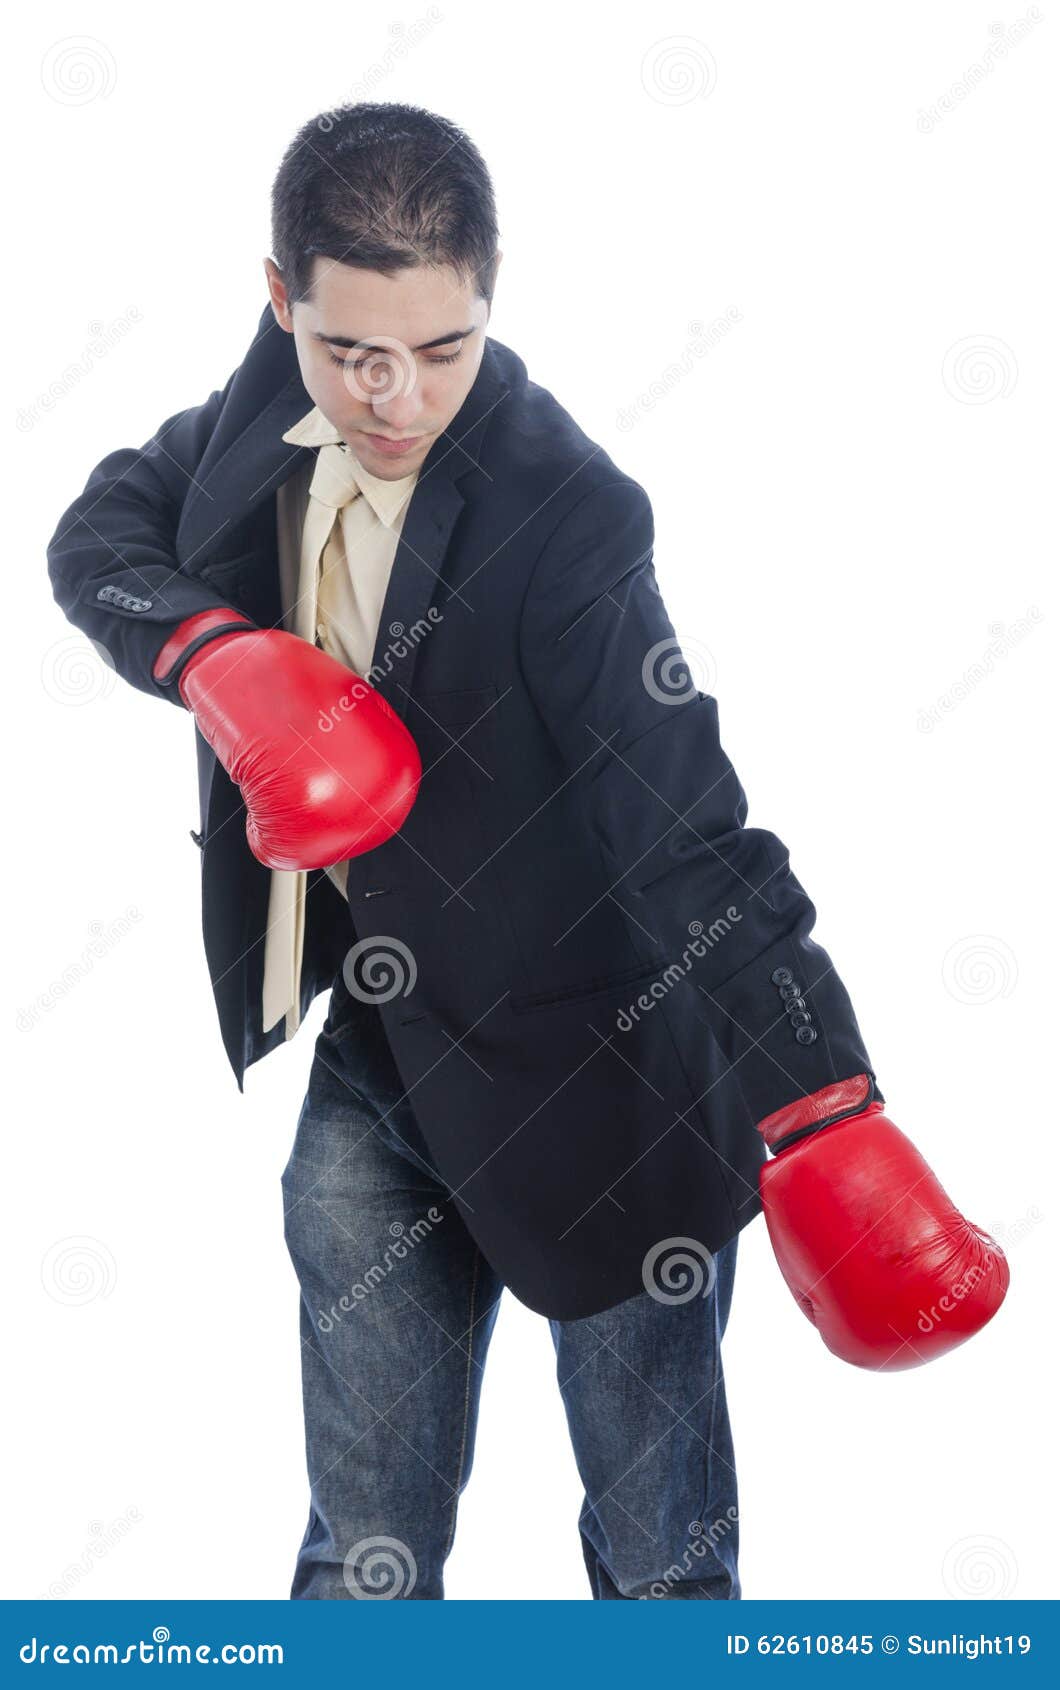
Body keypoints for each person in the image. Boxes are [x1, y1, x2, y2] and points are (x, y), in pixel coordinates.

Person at [46, 102, 1006, 1601]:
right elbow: (99, 528)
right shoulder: (264, 402)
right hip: (381, 1057)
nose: (397, 395)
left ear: (487, 299)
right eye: (351, 349)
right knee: (359, 1558)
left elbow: (692, 829)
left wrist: (826, 1094)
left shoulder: (567, 521)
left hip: (604, 1093)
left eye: (444, 347)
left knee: (661, 1578)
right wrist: (213, 652)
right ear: (278, 296)